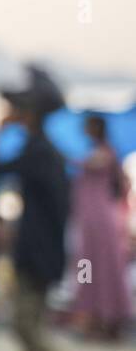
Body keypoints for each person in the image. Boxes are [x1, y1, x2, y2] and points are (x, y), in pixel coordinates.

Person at [0, 65, 81, 351]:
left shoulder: (39, 152)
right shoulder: (42, 149)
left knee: (24, 327)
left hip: (38, 254)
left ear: (28, 113)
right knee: (31, 331)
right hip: (42, 251)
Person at [69, 115, 131, 339]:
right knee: (88, 267)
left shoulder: (105, 153)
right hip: (91, 222)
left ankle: (104, 316)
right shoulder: (103, 153)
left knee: (99, 268)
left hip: (100, 223)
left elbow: (95, 165)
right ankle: (93, 315)